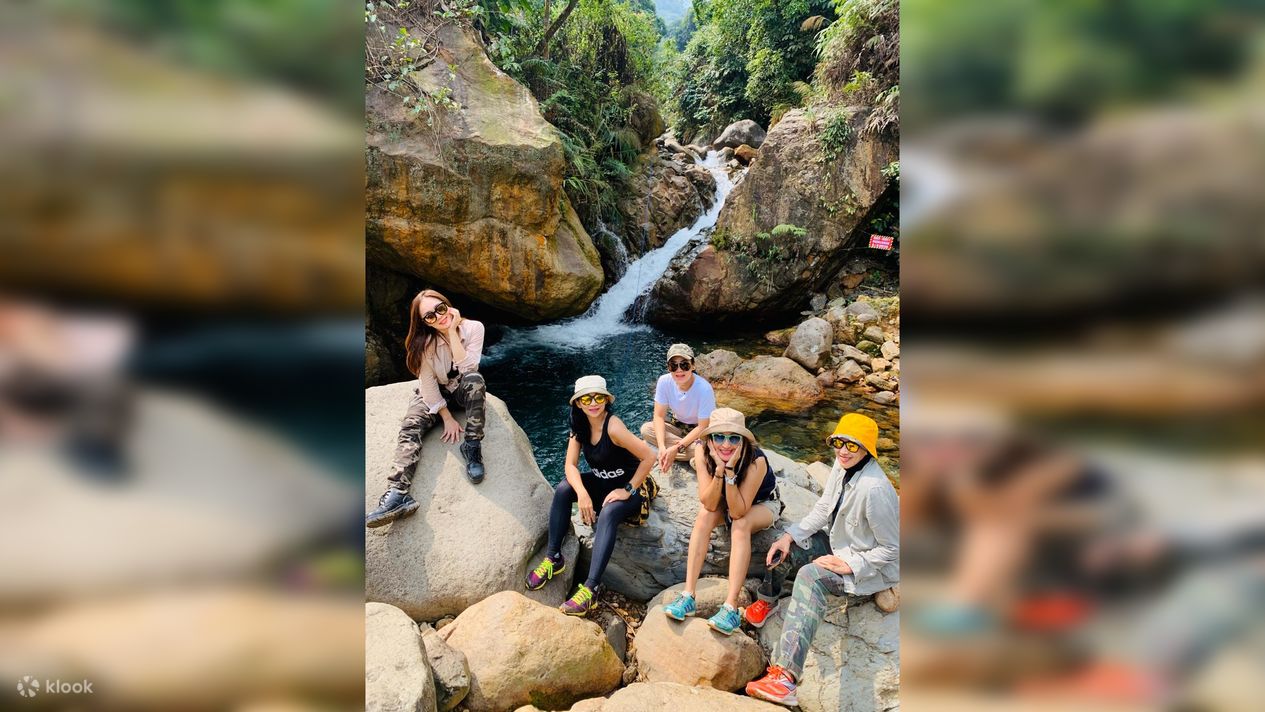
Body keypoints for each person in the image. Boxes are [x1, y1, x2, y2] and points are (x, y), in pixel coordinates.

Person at [745, 412, 899, 707]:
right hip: (840, 545)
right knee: (783, 549)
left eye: (852, 445)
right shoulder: (842, 468)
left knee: (810, 576)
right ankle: (768, 600)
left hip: (866, 567)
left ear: (867, 448)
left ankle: (785, 678)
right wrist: (790, 536)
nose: (842, 450)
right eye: (839, 442)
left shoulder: (875, 489)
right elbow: (823, 507)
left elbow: (892, 549)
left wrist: (850, 566)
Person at [526, 375, 656, 616]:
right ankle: (554, 557)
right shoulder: (579, 427)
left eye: (599, 397)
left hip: (632, 488)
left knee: (608, 512)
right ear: (578, 403)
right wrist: (583, 494)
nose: (593, 402)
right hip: (602, 484)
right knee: (565, 488)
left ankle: (591, 589)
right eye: (587, 398)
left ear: (606, 400)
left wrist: (627, 490)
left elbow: (649, 457)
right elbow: (570, 466)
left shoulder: (614, 426)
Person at [366, 289, 487, 528]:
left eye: (440, 309)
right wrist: (446, 416)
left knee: (475, 381)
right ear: (423, 322)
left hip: (461, 387)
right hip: (434, 394)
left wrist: (451, 331)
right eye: (430, 316)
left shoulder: (474, 328)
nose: (438, 317)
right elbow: (428, 384)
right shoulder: (423, 344)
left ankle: (472, 446)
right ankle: (398, 493)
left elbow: (468, 368)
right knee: (410, 426)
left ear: (448, 305)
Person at [662, 407, 783, 635]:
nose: (726, 445)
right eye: (719, 436)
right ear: (709, 439)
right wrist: (719, 471)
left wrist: (729, 473)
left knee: (740, 525)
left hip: (762, 503)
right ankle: (688, 595)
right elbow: (708, 502)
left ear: (743, 440)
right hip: (725, 499)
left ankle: (731, 606)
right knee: (704, 516)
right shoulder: (701, 450)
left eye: (733, 438)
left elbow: (738, 512)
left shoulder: (756, 461)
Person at [640, 343, 715, 473]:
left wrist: (677, 448)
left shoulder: (704, 388)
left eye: (684, 364)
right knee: (646, 429)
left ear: (693, 365)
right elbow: (658, 416)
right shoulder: (664, 381)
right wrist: (663, 447)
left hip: (700, 433)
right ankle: (694, 455)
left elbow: (703, 427)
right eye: (673, 365)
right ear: (668, 368)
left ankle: (691, 453)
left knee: (705, 446)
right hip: (678, 427)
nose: (679, 370)